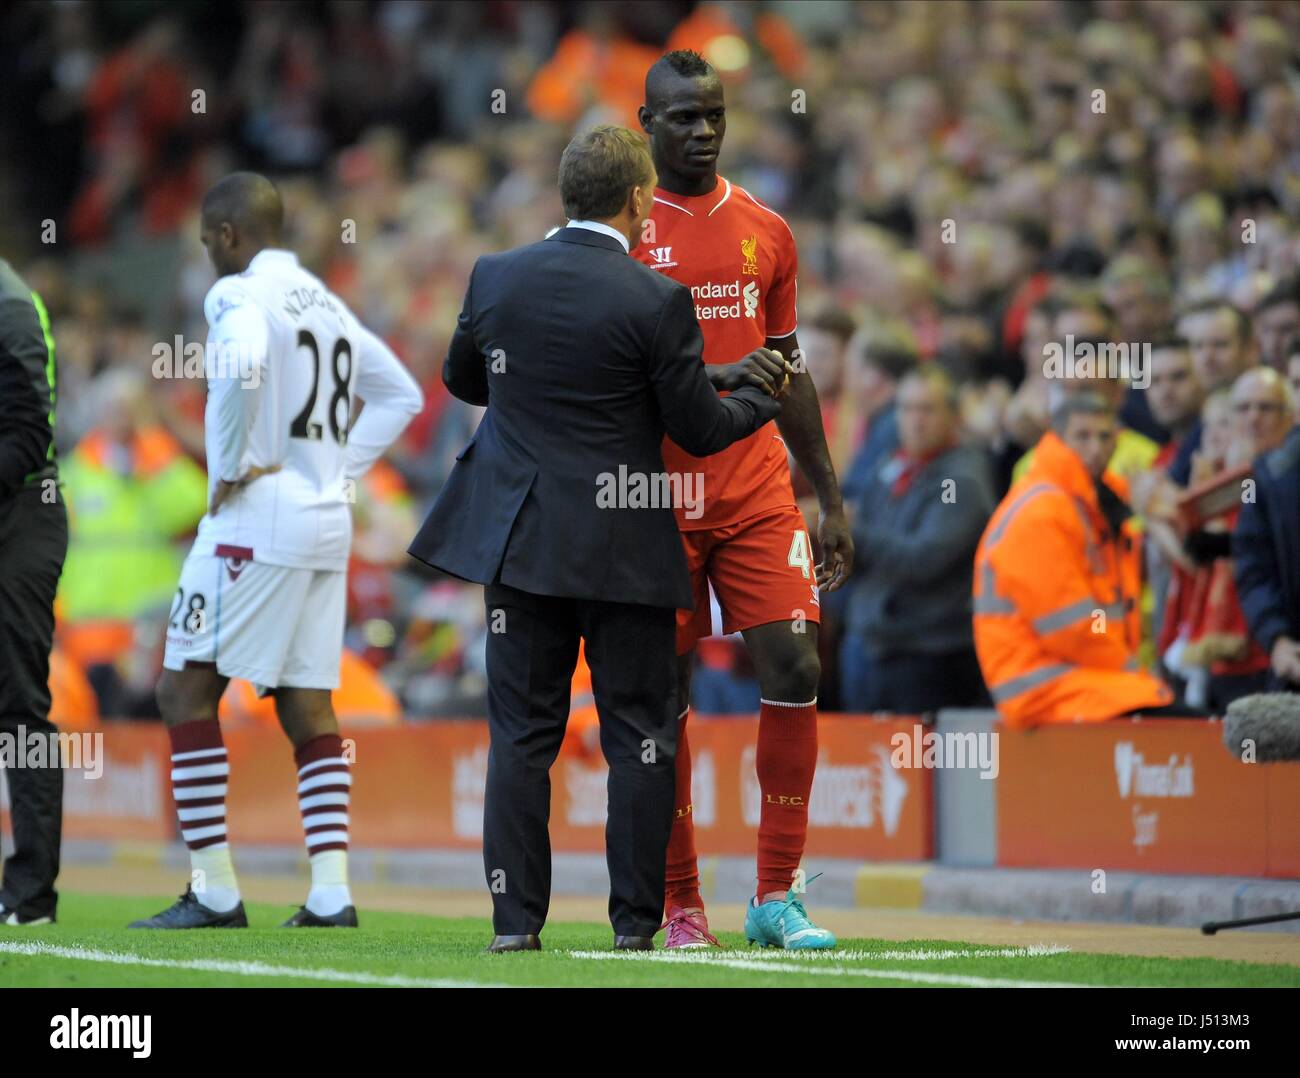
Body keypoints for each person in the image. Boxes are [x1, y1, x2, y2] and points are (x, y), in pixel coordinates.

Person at [407, 124, 785, 953]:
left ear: (565, 195)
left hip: (521, 542)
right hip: (625, 546)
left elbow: (464, 378)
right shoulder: (654, 297)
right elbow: (699, 422)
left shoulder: (496, 276)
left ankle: (515, 928)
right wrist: (765, 396)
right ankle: (634, 929)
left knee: (521, 739)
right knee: (639, 738)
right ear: (641, 200)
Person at [132, 173, 423, 929]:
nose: (204, 259)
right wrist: (336, 471)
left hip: (255, 519)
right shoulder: (324, 302)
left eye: (205, 243)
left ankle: (216, 889)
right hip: (326, 523)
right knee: (305, 701)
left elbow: (245, 359)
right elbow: (401, 395)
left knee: (183, 690)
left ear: (228, 236)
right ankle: (331, 892)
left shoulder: (237, 298)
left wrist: (228, 465)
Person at [635, 50, 853, 951]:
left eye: (715, 114)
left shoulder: (767, 229)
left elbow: (789, 368)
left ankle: (777, 895)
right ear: (645, 125)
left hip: (758, 483)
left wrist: (828, 497)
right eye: (684, 117)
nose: (704, 131)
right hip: (658, 494)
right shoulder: (624, 237)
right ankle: (681, 902)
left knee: (796, 667)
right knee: (664, 695)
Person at [973, 393, 1182, 728]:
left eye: (1105, 436)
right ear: (1057, 439)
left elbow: (1097, 616)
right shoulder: (1042, 512)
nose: (1096, 448)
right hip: (1046, 686)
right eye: (1082, 436)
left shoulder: (1100, 506)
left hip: (1084, 678)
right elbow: (1070, 625)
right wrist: (1132, 670)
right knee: (1183, 725)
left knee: (1185, 720)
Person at [840, 367, 994, 712]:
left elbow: (925, 558)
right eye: (906, 409)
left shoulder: (958, 482)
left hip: (927, 651)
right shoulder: (888, 465)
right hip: (869, 644)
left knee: (915, 762)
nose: (915, 420)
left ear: (954, 415)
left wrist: (849, 532)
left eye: (927, 409)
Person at [0, 258, 66, 926]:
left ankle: (30, 895)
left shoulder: (11, 304)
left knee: (19, 704)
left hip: (20, 519)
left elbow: (28, 431)